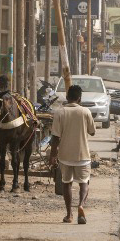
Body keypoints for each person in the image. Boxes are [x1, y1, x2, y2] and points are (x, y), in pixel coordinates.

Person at [50, 84, 95, 225]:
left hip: (65, 155)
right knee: (84, 182)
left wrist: (53, 156)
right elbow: (92, 131)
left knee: (66, 183)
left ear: (67, 97)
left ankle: (69, 214)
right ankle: (81, 205)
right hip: (83, 155)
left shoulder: (59, 112)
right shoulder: (85, 112)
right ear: (79, 98)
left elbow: (55, 137)